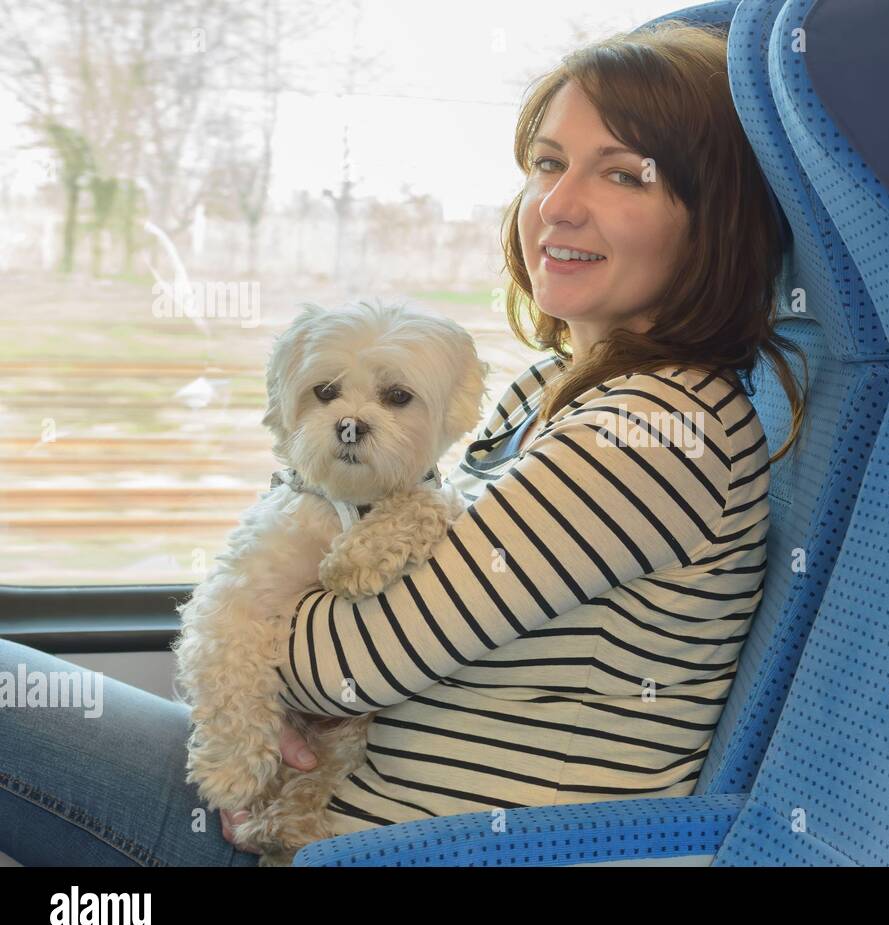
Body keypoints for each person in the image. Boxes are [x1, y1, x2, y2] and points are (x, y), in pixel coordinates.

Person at [0, 19, 805, 866]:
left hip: (397, 848)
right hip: (317, 810)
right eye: (547, 163)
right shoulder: (549, 390)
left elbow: (356, 662)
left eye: (623, 174)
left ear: (713, 219)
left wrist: (252, 639)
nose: (559, 204)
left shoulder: (651, 435)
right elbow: (383, 582)